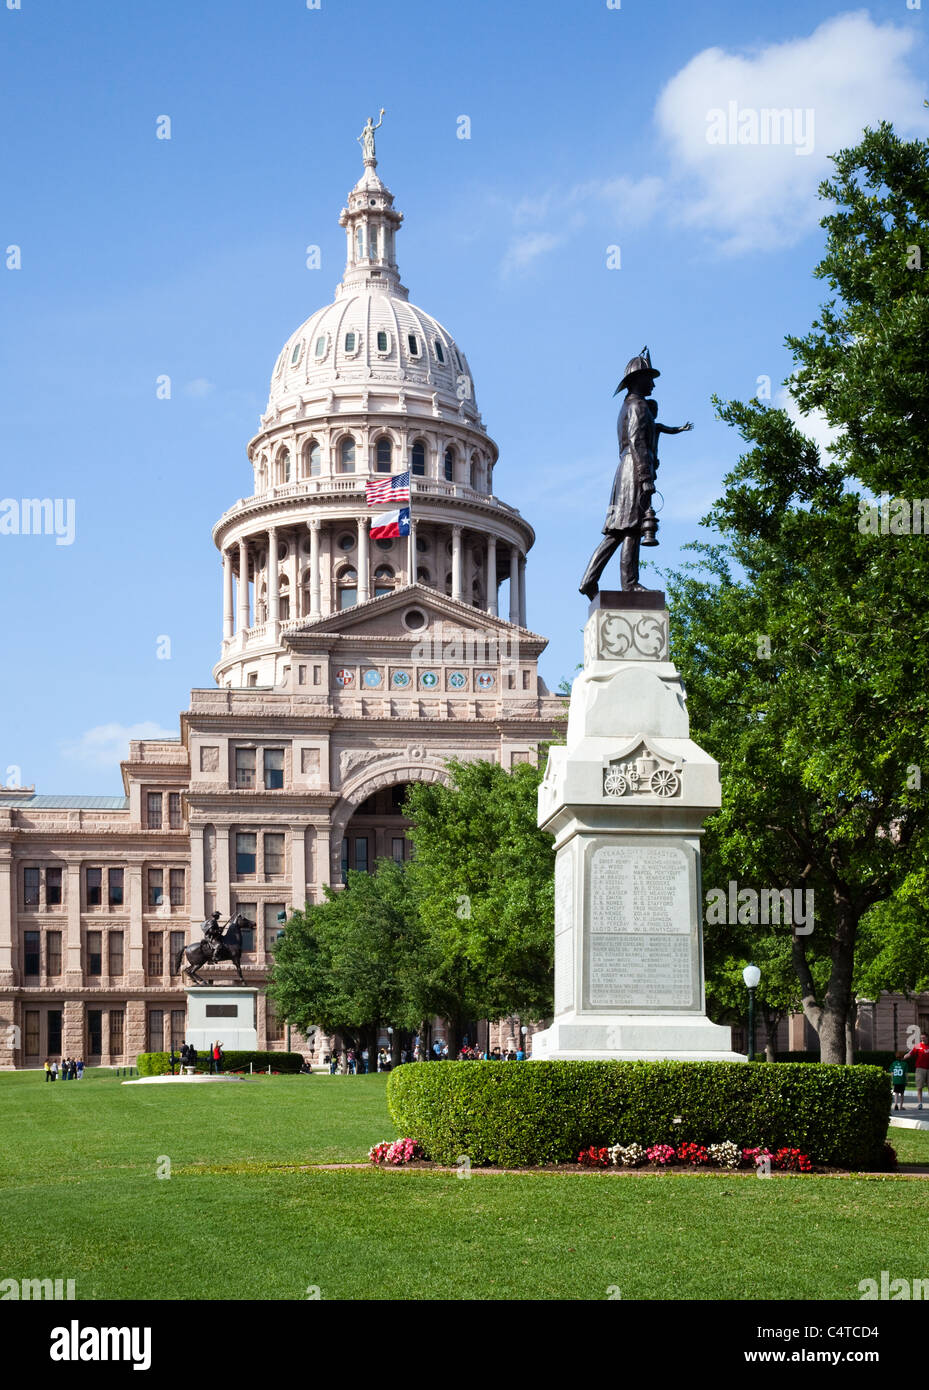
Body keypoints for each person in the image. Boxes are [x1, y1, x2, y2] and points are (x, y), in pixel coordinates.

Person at [579, 347, 692, 596]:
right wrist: (645, 477)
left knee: (620, 530)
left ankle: (590, 579)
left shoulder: (629, 406)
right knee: (630, 528)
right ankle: (629, 583)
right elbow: (637, 441)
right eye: (648, 378)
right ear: (636, 380)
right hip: (634, 469)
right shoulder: (638, 407)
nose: (653, 384)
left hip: (627, 468)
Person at [905, 1032, 929, 1110]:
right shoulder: (918, 1046)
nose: (923, 1039)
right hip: (920, 1069)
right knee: (919, 1087)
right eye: (921, 1038)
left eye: (924, 1037)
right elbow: (910, 1053)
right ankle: (920, 1103)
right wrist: (903, 1057)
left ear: (927, 1038)